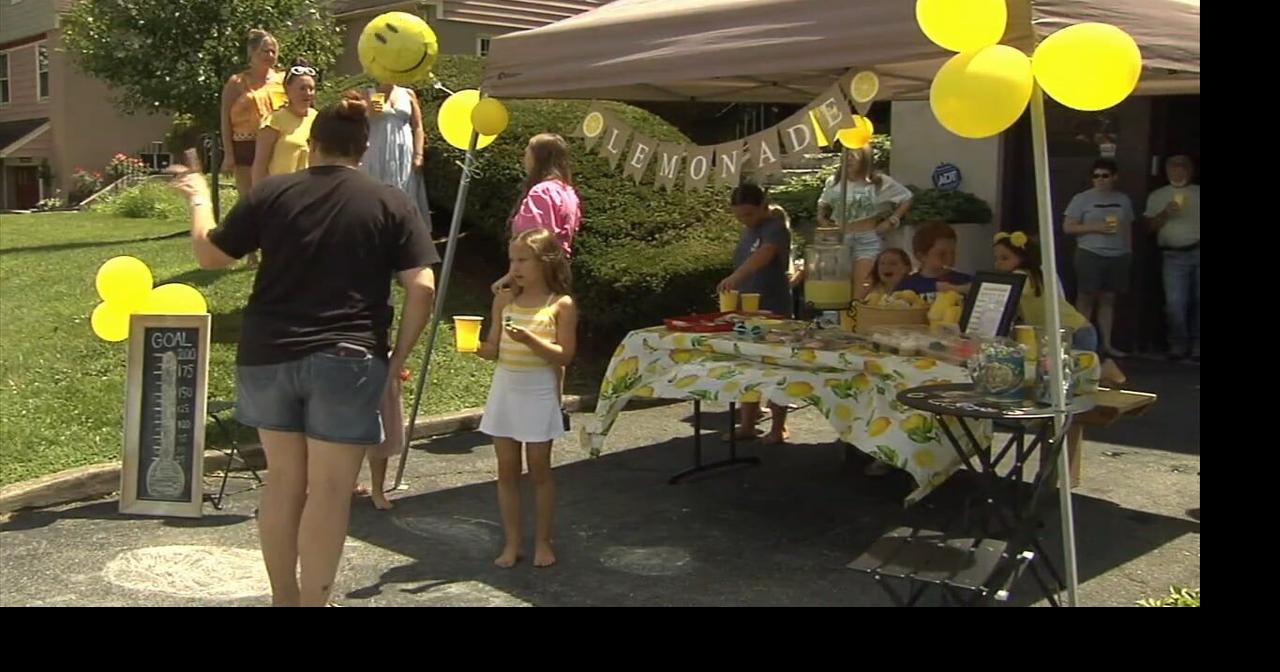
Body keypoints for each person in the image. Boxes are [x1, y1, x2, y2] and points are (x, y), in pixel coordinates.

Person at [171, 91, 441, 606]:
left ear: (312, 144)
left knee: (283, 485)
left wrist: (199, 197)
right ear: (363, 150)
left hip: (269, 353)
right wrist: (396, 359)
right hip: (348, 356)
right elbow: (422, 288)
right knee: (331, 493)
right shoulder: (389, 201)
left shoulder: (271, 193)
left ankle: (284, 600)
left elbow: (210, 255)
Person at [476, 228, 578, 569]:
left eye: (523, 260)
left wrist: (532, 340)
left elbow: (564, 356)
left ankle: (543, 542)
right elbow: (493, 346)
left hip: (537, 391)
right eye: (512, 259)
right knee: (506, 470)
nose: (515, 267)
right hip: (505, 389)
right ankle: (512, 543)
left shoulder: (560, 305)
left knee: (539, 469)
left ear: (544, 262)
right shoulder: (505, 300)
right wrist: (481, 348)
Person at [993, 231, 1126, 384]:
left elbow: (1003, 290)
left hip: (1074, 332)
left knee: (1067, 376)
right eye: (996, 259)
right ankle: (1103, 373)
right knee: (1065, 375)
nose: (998, 263)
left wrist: (968, 286)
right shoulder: (1032, 277)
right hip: (1073, 330)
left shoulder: (1022, 276)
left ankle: (1105, 371)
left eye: (1005, 258)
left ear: (1023, 258)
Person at [717, 183, 793, 444]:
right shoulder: (748, 231)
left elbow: (765, 253)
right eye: (738, 216)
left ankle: (778, 426)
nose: (744, 221)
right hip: (746, 308)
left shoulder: (774, 227)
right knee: (747, 365)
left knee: (775, 367)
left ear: (763, 206)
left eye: (748, 214)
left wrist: (736, 276)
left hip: (773, 305)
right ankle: (748, 423)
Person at [816, 145, 913, 300]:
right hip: (839, 239)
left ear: (864, 158)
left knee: (862, 287)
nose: (849, 159)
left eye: (854, 155)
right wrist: (823, 221)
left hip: (867, 239)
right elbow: (822, 203)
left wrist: (892, 220)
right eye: (846, 155)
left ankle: (858, 319)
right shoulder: (834, 182)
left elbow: (906, 197)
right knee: (838, 287)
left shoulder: (879, 182)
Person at [491, 133, 582, 295]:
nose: (525, 158)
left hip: (535, 278)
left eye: (528, 152)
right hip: (558, 273)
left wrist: (511, 277)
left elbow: (534, 242)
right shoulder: (568, 192)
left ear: (538, 158)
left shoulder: (542, 192)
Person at [1063, 158, 1135, 358]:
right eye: (1096, 176)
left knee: (1109, 299)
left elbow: (1128, 227)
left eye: (1105, 176)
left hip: (1118, 253)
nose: (1100, 180)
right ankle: (1081, 343)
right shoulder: (1082, 199)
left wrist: (1128, 251)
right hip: (1090, 252)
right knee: (1086, 297)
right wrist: (1096, 227)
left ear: (1114, 177)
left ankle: (1107, 344)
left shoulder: (1123, 200)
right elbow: (1068, 227)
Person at [1144, 154, 1200, 363]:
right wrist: (1165, 214)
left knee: (1199, 301)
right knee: (1175, 303)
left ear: (1190, 170)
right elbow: (1148, 228)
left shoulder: (1198, 193)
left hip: (1197, 250)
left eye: (1182, 167)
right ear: (1166, 170)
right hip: (1172, 255)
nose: (1178, 171)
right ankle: (1177, 345)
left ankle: (1197, 347)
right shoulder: (1158, 196)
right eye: (1173, 167)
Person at [221, 29, 284, 198]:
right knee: (249, 199)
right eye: (265, 51)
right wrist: (228, 154)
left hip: (275, 145)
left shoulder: (283, 80)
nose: (270, 55)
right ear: (252, 52)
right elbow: (225, 119)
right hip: (246, 146)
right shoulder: (237, 82)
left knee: (272, 196)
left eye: (273, 51)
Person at [360, 82, 431, 226]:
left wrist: (419, 155)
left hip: (403, 153)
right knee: (376, 191)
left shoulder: (408, 93)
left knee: (404, 191)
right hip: (376, 150)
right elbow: (357, 123)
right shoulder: (367, 93)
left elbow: (418, 126)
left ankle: (402, 230)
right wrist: (368, 111)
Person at [251, 58, 318, 188]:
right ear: (288, 89)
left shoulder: (318, 119)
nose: (308, 93)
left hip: (309, 191)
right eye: (302, 88)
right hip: (280, 192)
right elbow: (260, 166)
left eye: (311, 88)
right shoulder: (274, 120)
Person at [896, 222, 972, 300]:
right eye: (942, 254)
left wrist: (956, 289)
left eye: (952, 253)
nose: (950, 259)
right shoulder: (907, 285)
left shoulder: (966, 281)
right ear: (921, 256)